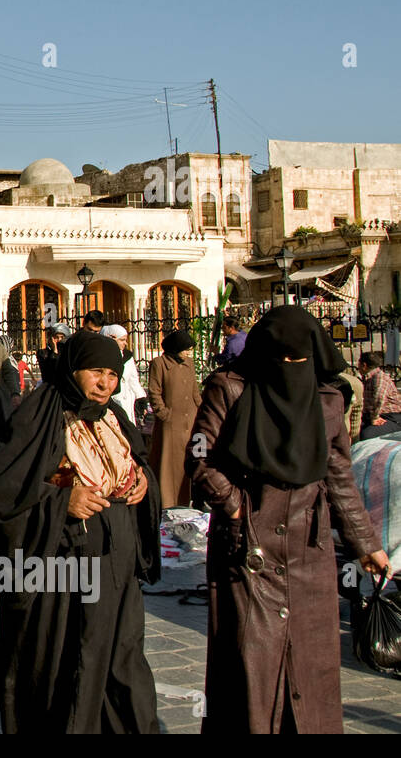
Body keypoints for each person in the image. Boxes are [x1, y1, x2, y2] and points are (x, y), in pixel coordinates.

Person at [187, 305, 388, 733]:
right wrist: (236, 505)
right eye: (283, 359)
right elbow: (199, 456)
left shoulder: (328, 399)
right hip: (248, 547)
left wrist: (365, 542)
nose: (291, 369)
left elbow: (338, 474)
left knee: (311, 671)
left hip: (308, 549)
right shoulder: (230, 388)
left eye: (300, 360)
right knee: (251, 669)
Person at [0, 329, 161, 733]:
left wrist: (145, 482)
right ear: (73, 369)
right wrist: (63, 501)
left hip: (117, 568)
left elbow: (139, 462)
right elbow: (4, 489)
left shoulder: (113, 415)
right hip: (63, 572)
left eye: (113, 375)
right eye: (96, 372)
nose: (105, 383)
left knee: (121, 661)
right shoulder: (38, 413)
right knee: (69, 665)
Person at [146, 329, 202, 508]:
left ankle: (189, 500)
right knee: (169, 463)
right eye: (186, 349)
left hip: (190, 419)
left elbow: (194, 390)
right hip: (170, 422)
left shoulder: (189, 363)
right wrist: (164, 414)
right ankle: (168, 503)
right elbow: (154, 392)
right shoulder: (159, 363)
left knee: (191, 459)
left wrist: (201, 410)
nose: (188, 353)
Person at [102, 324, 146, 425]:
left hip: (125, 402)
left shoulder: (127, 357)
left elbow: (133, 380)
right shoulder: (102, 356)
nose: (125, 343)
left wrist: (140, 398)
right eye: (122, 340)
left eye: (125, 340)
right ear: (111, 338)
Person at [357, 351, 401, 440]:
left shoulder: (379, 378)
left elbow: (379, 399)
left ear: (364, 365)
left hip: (390, 418)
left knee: (366, 434)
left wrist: (374, 418)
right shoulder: (368, 378)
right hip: (372, 416)